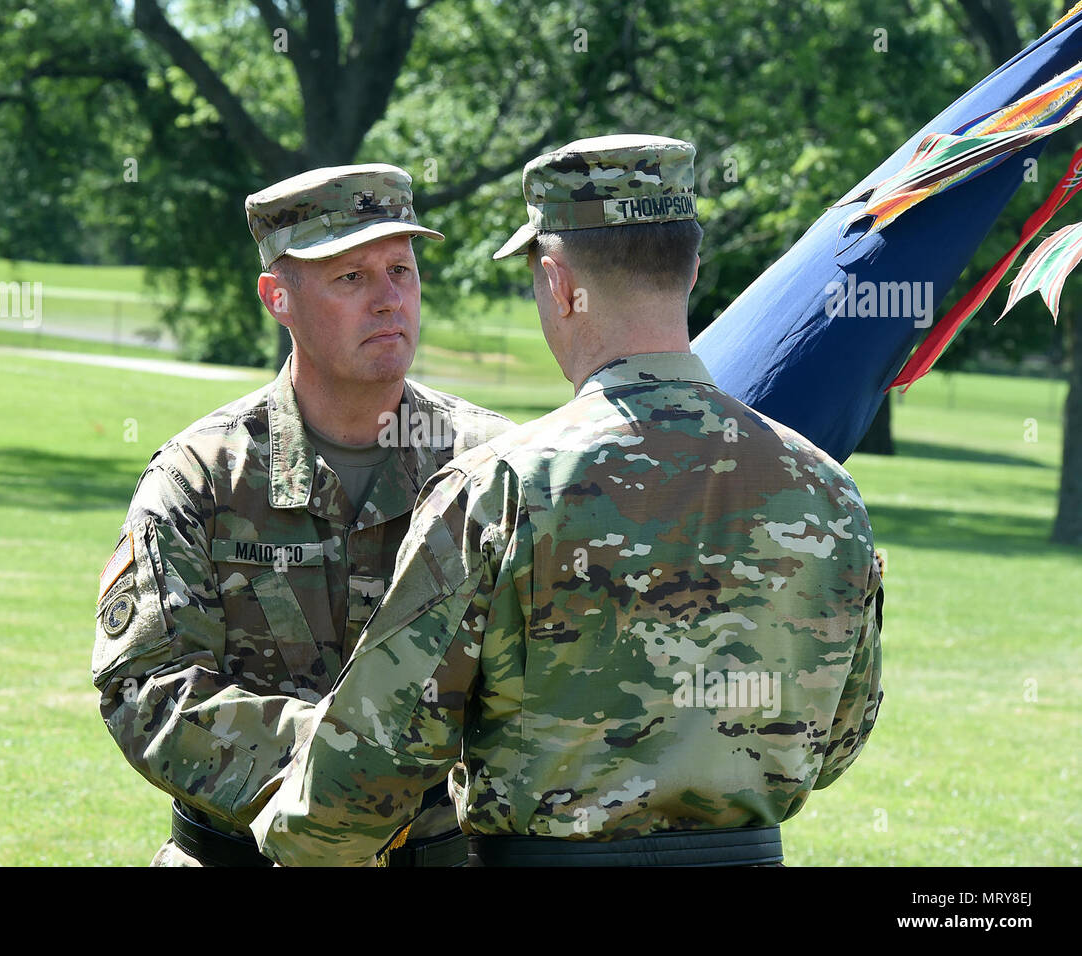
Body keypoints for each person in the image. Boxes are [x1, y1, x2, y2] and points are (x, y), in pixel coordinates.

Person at [251, 134, 885, 867]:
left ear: (556, 282)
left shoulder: (501, 487)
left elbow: (369, 764)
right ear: (692, 269)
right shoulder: (829, 490)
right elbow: (839, 738)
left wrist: (285, 838)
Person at [91, 163, 513, 866]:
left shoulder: (492, 464)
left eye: (401, 271)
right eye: (350, 278)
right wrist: (339, 763)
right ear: (276, 295)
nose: (388, 301)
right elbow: (146, 691)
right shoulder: (203, 477)